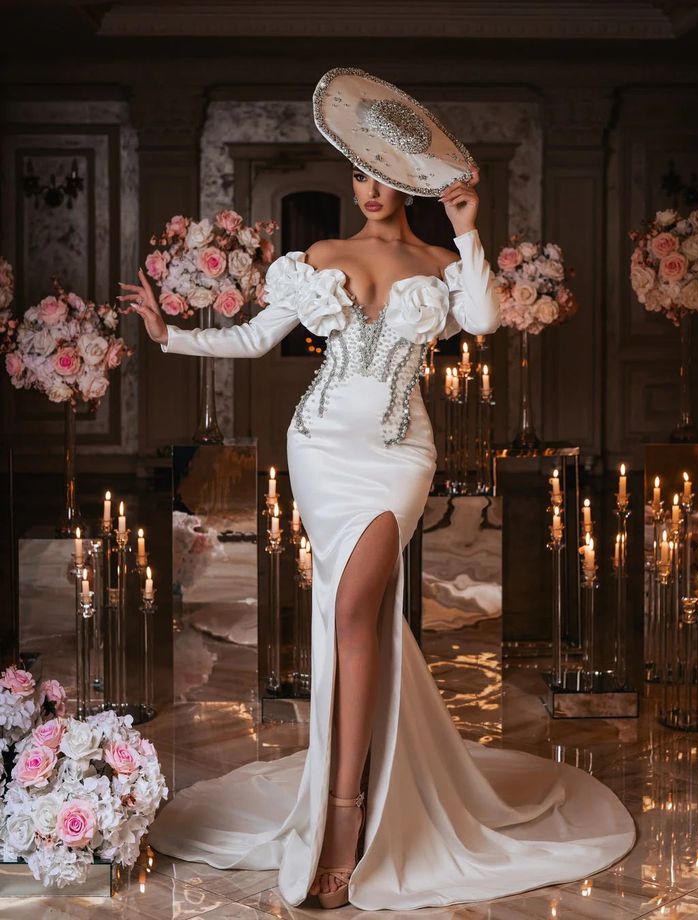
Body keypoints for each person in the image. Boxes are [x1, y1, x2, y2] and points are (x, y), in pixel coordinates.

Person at [120, 165, 635, 912]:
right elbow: (259, 338)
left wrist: (465, 224)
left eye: (383, 179)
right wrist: (169, 338)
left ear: (408, 186)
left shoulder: (442, 262)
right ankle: (348, 797)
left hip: (399, 454)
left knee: (356, 611)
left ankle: (346, 814)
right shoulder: (320, 255)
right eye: (359, 176)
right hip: (322, 447)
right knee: (348, 615)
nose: (368, 190)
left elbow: (486, 321)